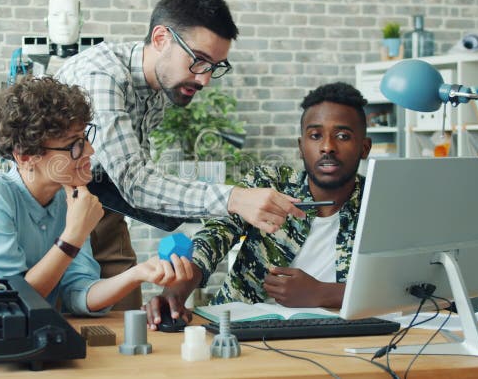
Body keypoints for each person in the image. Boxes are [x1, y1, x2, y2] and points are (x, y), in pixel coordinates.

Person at [55, 0, 307, 309]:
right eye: (199, 60)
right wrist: (234, 197)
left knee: (128, 318)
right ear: (161, 38)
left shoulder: (159, 91)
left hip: (103, 207)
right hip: (55, 209)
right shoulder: (101, 78)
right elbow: (136, 182)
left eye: (214, 67)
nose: (204, 79)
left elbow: (127, 178)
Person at [0, 76, 193, 316]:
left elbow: (78, 292)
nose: (90, 150)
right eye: (74, 144)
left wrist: (137, 274)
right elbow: (9, 303)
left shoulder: (68, 202)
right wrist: (73, 234)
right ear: (26, 156)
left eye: (85, 138)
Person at [144, 82, 373, 328]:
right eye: (315, 135)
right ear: (300, 147)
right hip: (240, 332)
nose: (327, 147)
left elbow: (407, 286)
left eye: (343, 136)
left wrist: (323, 293)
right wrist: (175, 293)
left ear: (364, 147)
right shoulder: (269, 184)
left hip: (342, 337)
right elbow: (214, 236)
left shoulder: (379, 204)